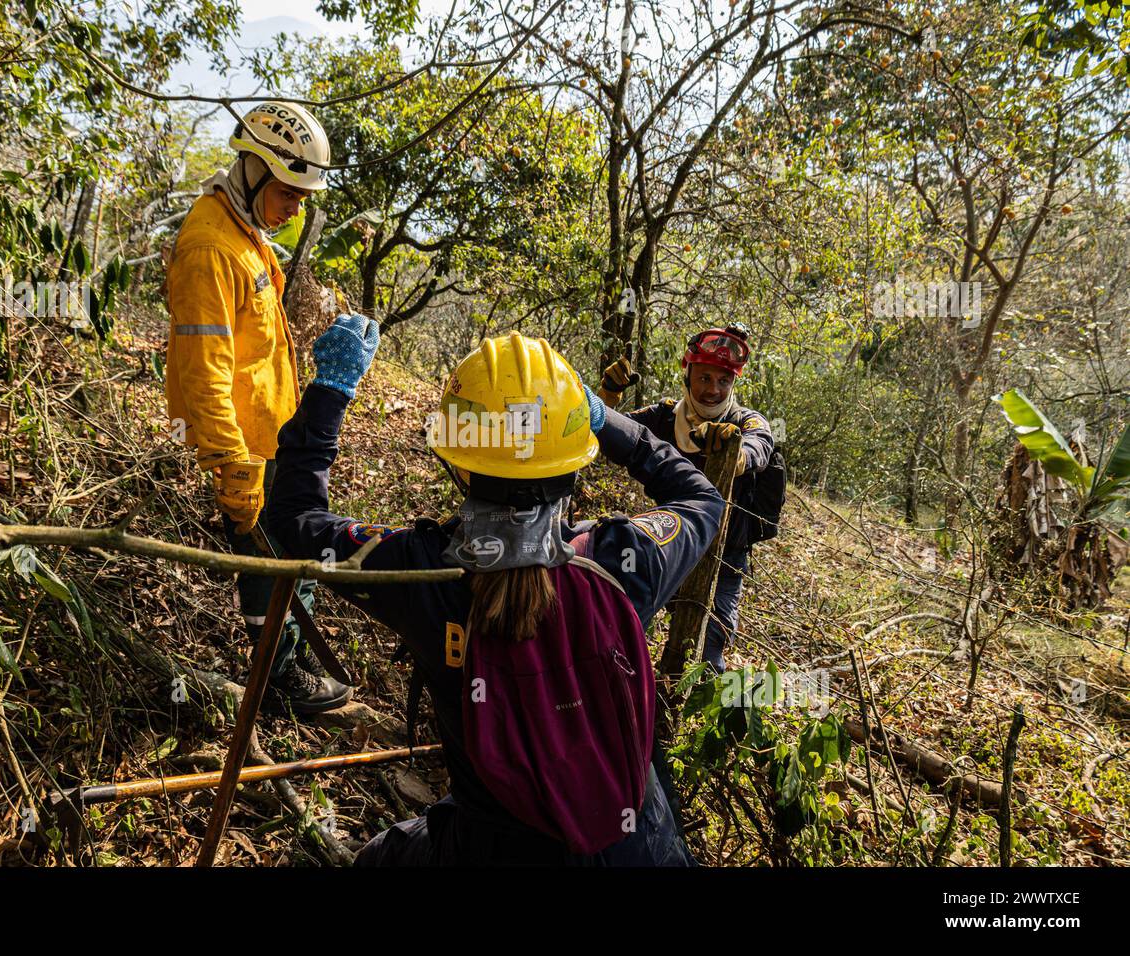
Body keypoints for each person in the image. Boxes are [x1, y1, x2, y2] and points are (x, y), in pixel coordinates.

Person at [267, 316, 728, 865]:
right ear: (573, 464)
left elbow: (294, 518)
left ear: (459, 464)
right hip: (638, 846)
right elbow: (702, 499)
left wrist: (330, 391)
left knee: (379, 859)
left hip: (491, 848)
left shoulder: (422, 573)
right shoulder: (622, 563)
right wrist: (606, 423)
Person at [164, 101, 351, 713]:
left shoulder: (245, 235)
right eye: (288, 192)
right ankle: (277, 681)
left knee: (290, 550)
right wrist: (231, 463)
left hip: (274, 433)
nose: (296, 207)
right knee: (267, 566)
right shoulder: (210, 248)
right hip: (247, 443)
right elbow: (204, 370)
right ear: (252, 169)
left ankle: (285, 662)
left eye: (303, 196)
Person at [597, 323, 777, 673]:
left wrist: (733, 452)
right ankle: (641, 693)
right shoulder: (664, 418)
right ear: (688, 374)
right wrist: (606, 397)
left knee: (714, 638)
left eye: (723, 381)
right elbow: (613, 431)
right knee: (634, 619)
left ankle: (697, 702)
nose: (713, 389)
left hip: (727, 554)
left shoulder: (746, 421)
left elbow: (761, 445)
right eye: (705, 378)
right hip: (671, 541)